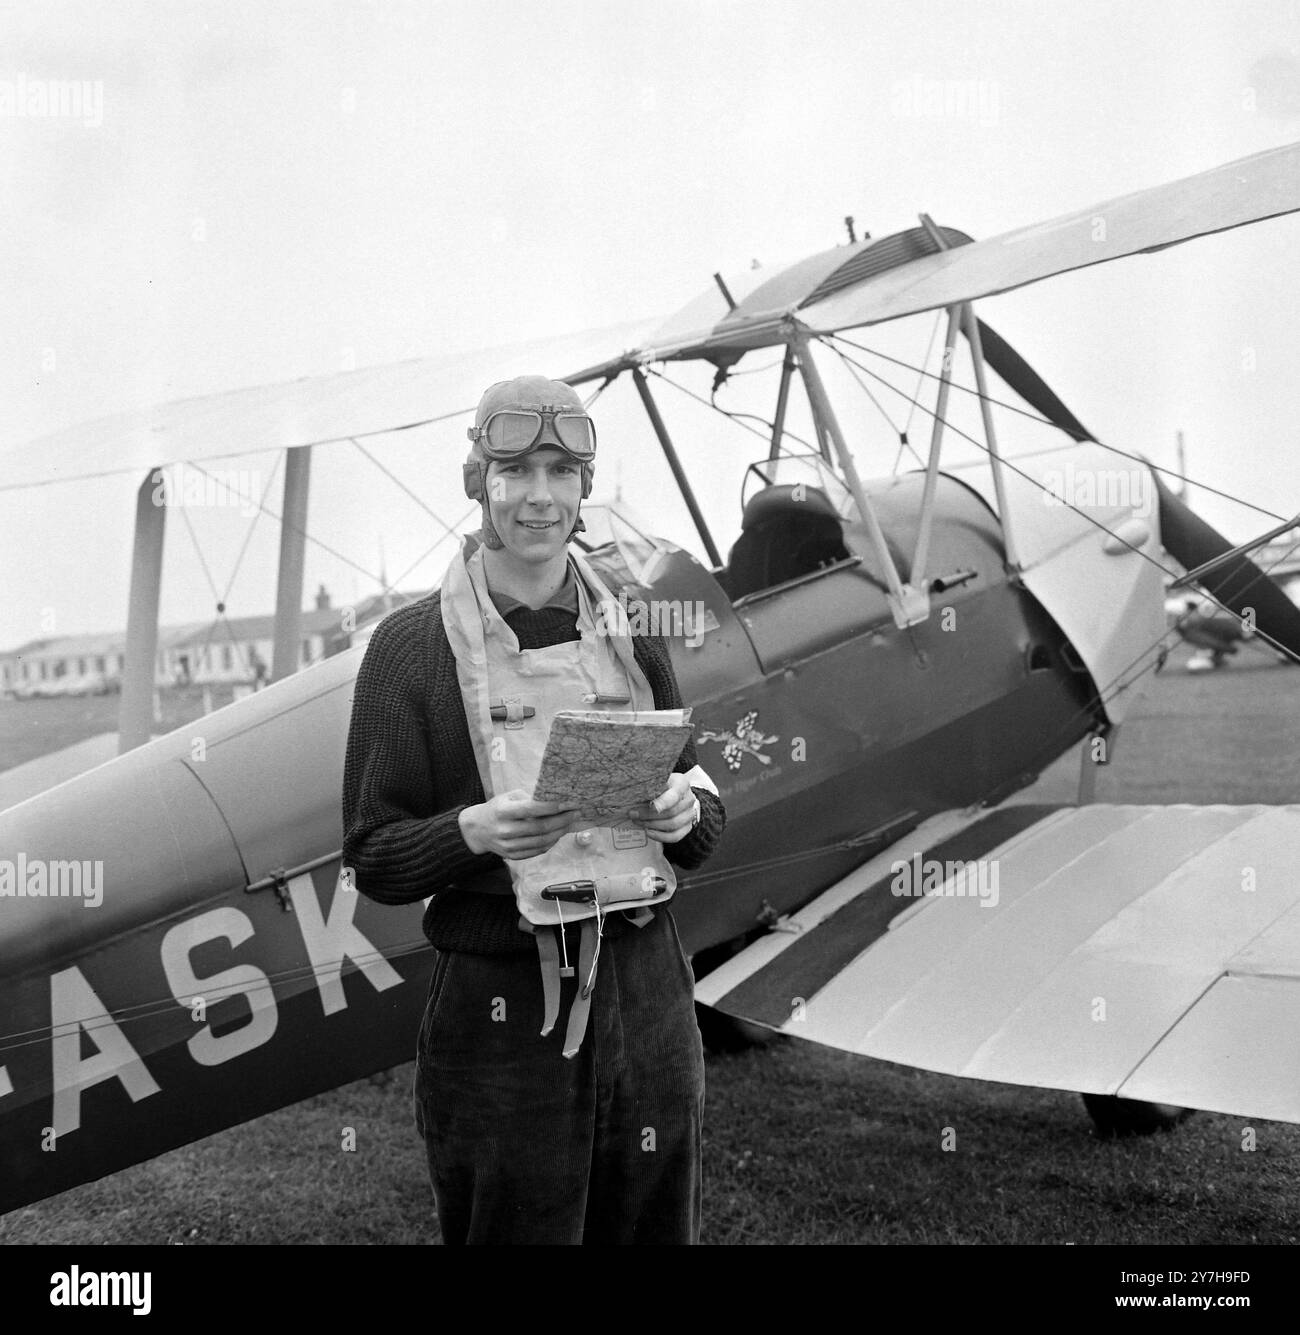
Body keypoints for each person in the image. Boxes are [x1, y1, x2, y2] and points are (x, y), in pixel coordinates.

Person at [342, 374, 726, 1245]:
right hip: (500, 1008)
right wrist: (469, 831)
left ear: (585, 486)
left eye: (561, 471)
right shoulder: (408, 650)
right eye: (515, 470)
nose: (540, 496)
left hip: (647, 985)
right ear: (477, 481)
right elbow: (370, 851)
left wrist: (681, 813)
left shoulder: (628, 616)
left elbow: (699, 791)